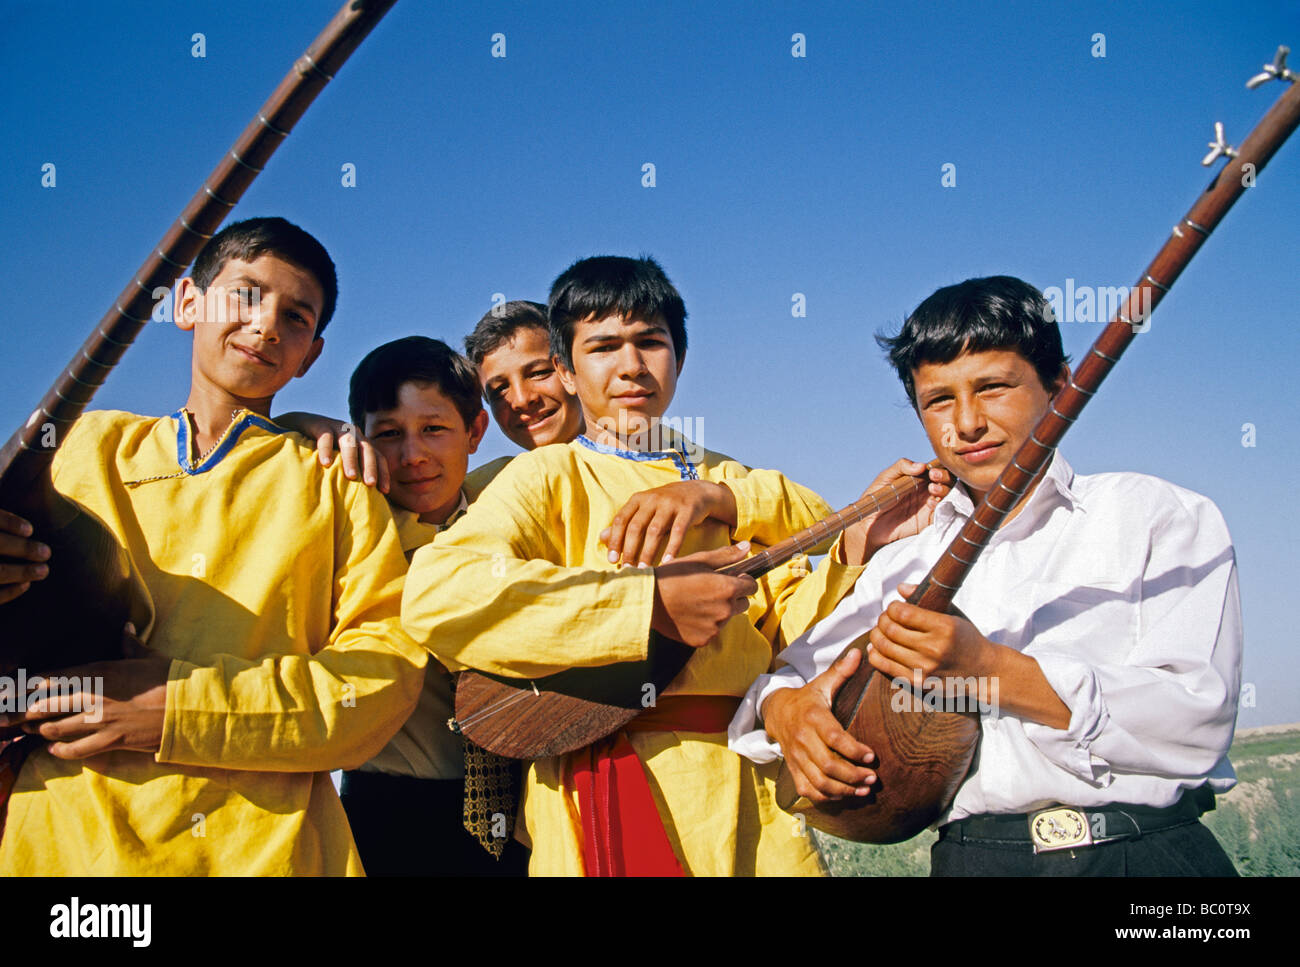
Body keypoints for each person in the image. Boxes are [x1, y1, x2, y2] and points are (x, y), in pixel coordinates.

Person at [402, 255, 945, 875]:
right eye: (603, 347)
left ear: (679, 360)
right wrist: (646, 606)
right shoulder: (545, 476)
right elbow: (439, 594)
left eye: (650, 342)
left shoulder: (724, 476)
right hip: (600, 784)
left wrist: (853, 548)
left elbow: (781, 625)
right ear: (567, 371)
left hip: (746, 786)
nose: (631, 366)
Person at [729, 275, 1242, 876]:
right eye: (938, 400)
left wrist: (994, 672)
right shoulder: (904, 560)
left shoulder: (1157, 515)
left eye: (993, 387)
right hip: (973, 862)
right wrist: (786, 711)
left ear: (1060, 384)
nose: (965, 423)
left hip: (1144, 854)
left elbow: (1197, 718)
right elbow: (783, 686)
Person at [0, 217, 426, 875]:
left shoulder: (339, 481)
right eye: (246, 295)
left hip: (263, 849)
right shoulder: (83, 446)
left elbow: (382, 679)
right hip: (65, 841)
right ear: (186, 303)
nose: (266, 327)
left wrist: (175, 706)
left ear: (311, 353)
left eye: (296, 316)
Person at [336, 335, 529, 875]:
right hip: (390, 811)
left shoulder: (516, 513)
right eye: (389, 435)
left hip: (525, 812)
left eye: (434, 430)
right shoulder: (348, 537)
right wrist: (309, 427)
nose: (412, 456)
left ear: (474, 432)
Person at [465, 300, 584, 450]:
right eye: (500, 389)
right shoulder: (504, 474)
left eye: (538, 373)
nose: (522, 400)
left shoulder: (621, 460)